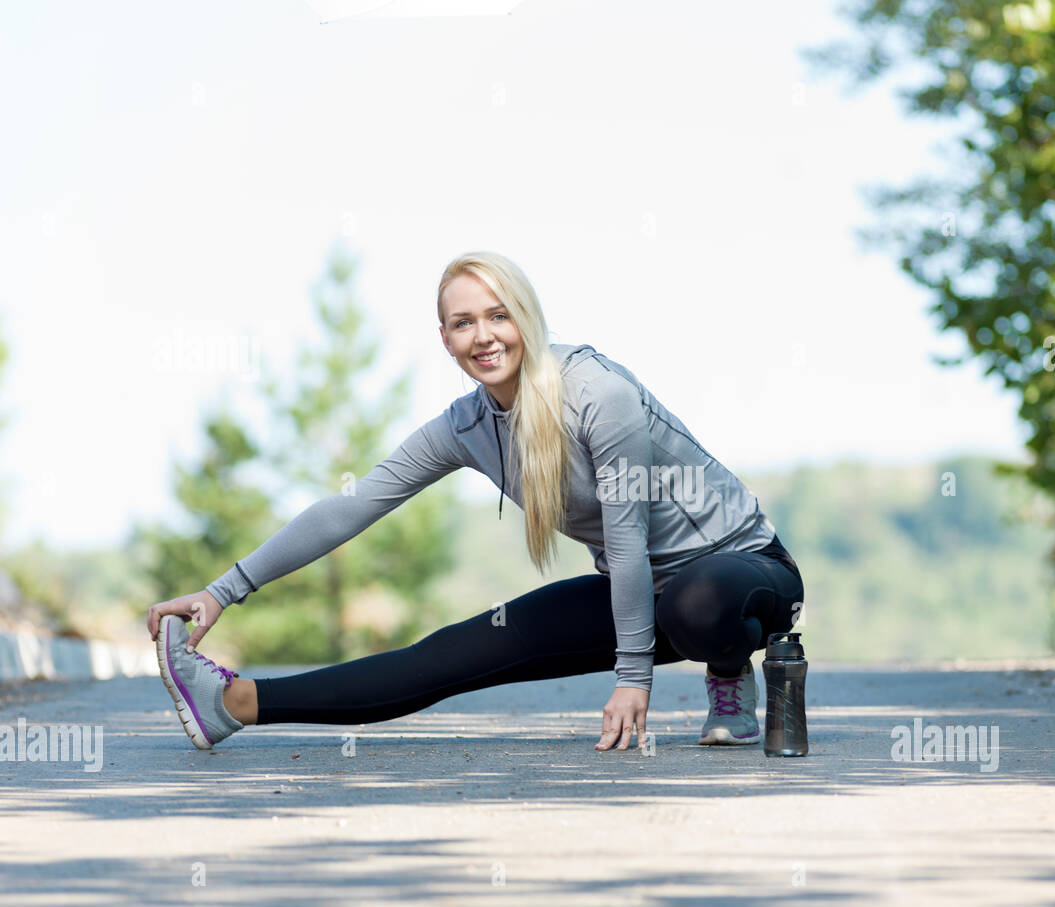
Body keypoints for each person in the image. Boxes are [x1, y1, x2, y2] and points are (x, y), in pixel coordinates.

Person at [146, 251, 804, 753]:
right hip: (642, 596)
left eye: (498, 315)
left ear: (526, 318)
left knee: (699, 601)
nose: (484, 336)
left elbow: (626, 538)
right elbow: (351, 506)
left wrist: (633, 678)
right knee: (446, 654)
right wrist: (222, 590)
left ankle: (729, 672)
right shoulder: (465, 426)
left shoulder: (599, 392)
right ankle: (231, 703)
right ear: (446, 339)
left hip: (747, 574)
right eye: (464, 323)